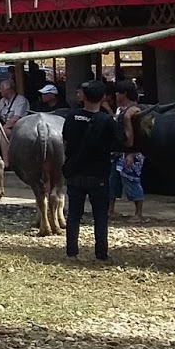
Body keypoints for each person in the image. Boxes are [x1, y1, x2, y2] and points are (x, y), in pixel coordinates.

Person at [62, 80, 119, 263]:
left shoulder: (72, 117)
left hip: (75, 173)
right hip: (99, 175)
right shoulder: (107, 121)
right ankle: (101, 255)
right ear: (103, 98)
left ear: (83, 97)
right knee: (100, 216)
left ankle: (72, 253)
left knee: (73, 216)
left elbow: (65, 142)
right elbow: (119, 143)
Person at [113, 81, 146, 223]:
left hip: (132, 151)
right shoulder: (120, 109)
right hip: (118, 150)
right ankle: (111, 209)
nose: (115, 95)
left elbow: (137, 135)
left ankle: (139, 213)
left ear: (124, 94)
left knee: (131, 180)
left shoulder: (135, 111)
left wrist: (131, 152)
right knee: (113, 180)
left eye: (117, 93)